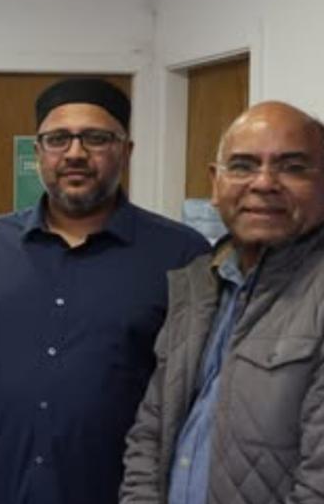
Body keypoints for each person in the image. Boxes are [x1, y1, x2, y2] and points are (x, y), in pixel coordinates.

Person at [0, 78, 210, 504]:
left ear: (126, 151)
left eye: (96, 138)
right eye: (58, 139)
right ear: (38, 151)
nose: (75, 153)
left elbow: (195, 400)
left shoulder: (181, 255)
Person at [121, 101, 324, 504]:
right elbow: (151, 433)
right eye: (243, 166)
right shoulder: (199, 283)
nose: (264, 183)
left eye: (292, 167)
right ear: (216, 183)